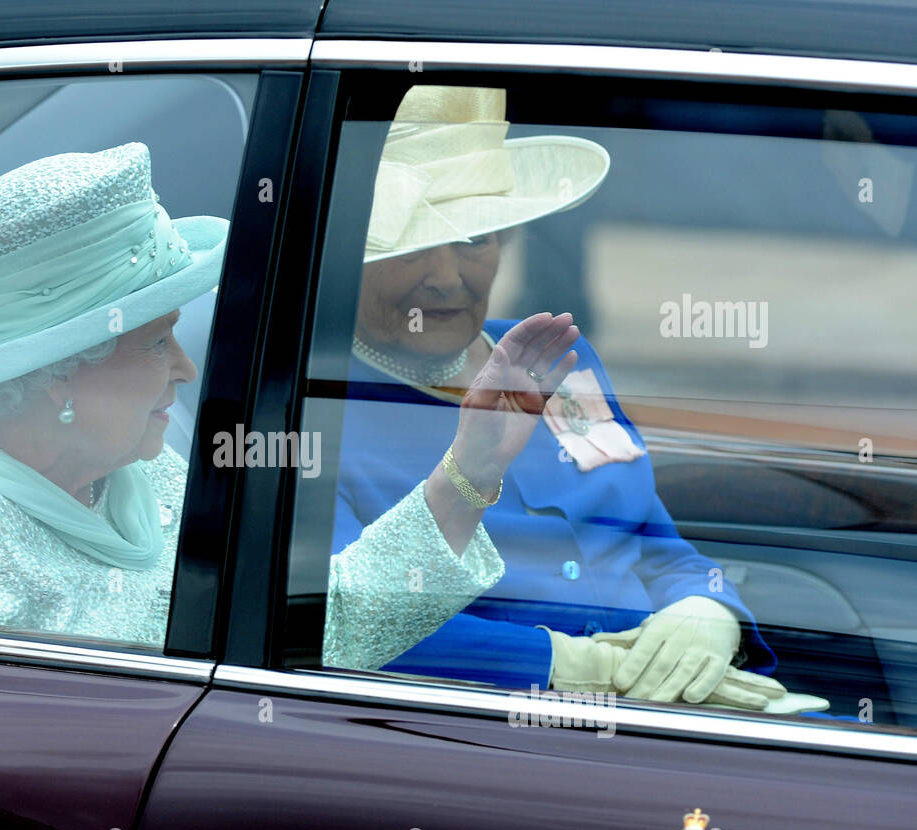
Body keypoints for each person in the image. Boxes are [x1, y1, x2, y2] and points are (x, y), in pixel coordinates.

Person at [0, 142, 576, 671]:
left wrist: (469, 466)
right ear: (56, 374)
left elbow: (311, 631)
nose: (184, 369)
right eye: (154, 345)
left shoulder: (133, 479)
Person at [333, 86, 790, 709]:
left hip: (677, 704)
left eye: (474, 240)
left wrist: (708, 608)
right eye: (413, 244)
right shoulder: (314, 409)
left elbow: (654, 541)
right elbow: (329, 624)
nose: (444, 276)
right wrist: (568, 664)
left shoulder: (556, 361)